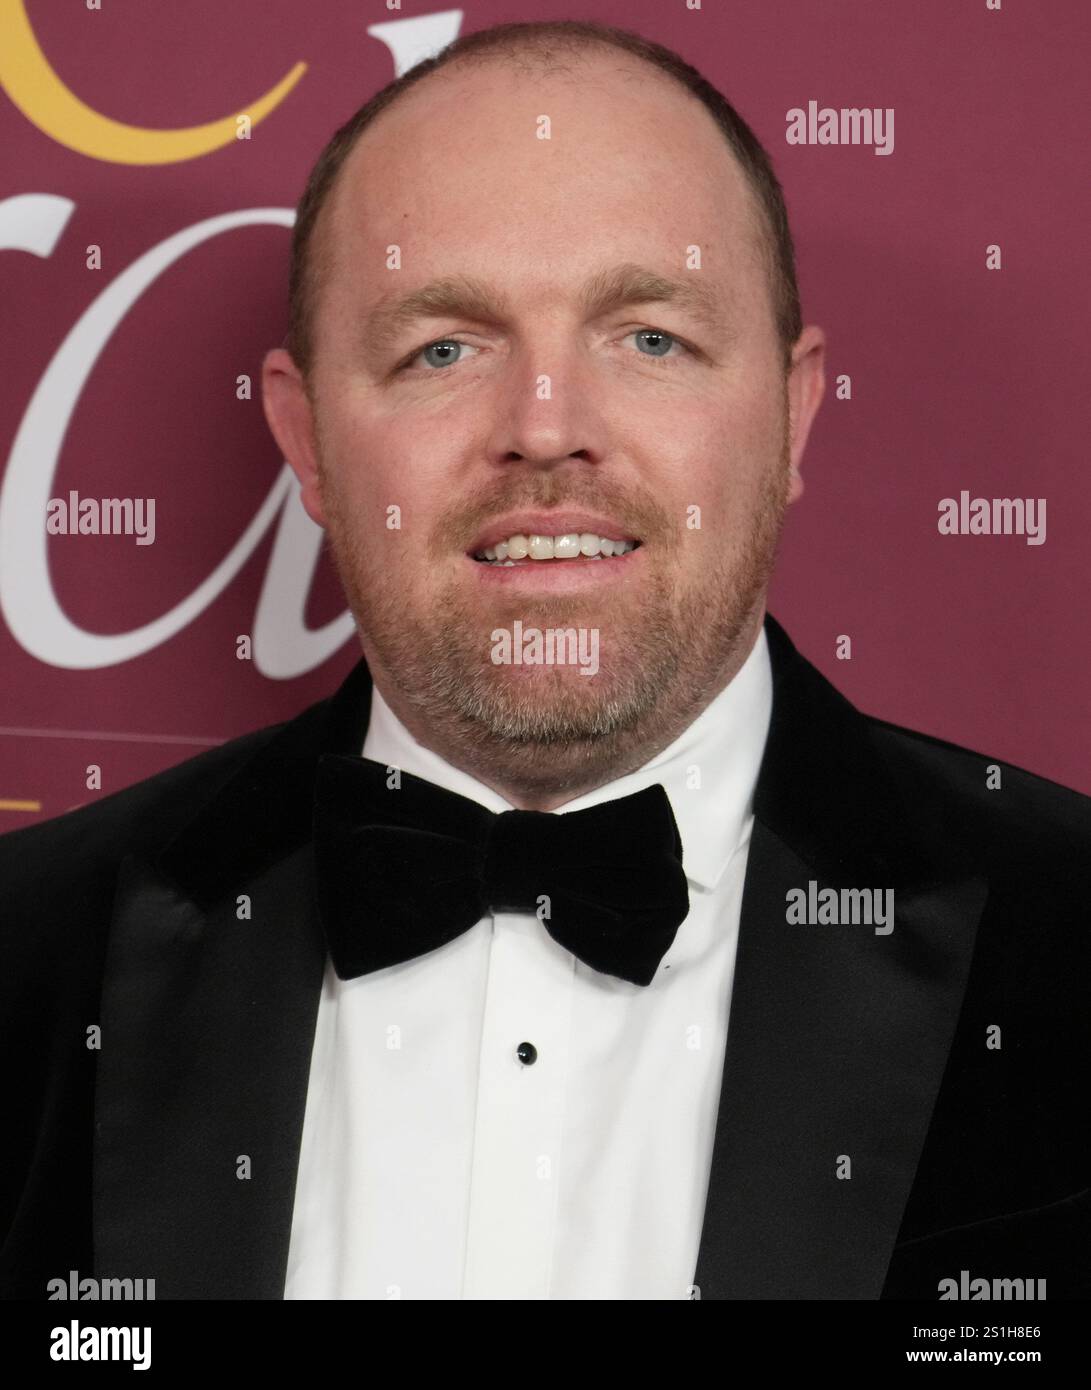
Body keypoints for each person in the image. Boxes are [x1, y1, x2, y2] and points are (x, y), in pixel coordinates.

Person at [1, 19, 1088, 1302]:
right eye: (443, 348)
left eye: (647, 338)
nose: (544, 428)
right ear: (305, 440)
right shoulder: (28, 954)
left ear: (792, 411)